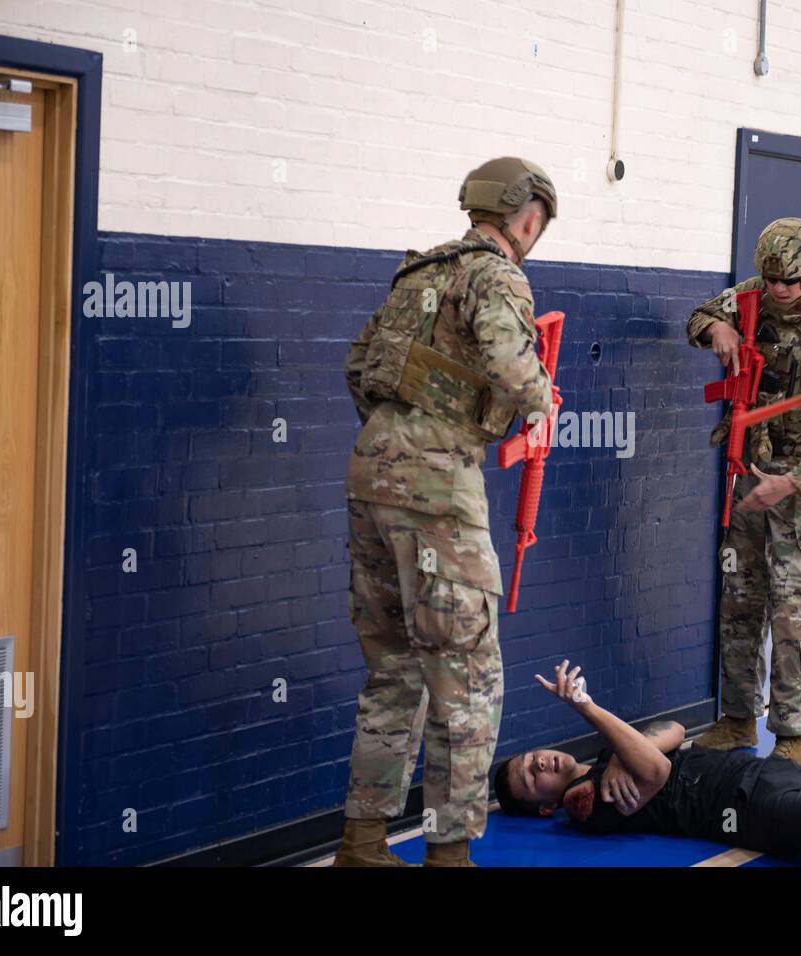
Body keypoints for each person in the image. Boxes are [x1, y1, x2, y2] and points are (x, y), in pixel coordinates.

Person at [336, 158, 559, 867]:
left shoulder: (416, 274)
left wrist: (402, 435)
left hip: (372, 473)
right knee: (466, 679)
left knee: (395, 672)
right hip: (438, 489)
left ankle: (363, 845)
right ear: (528, 216)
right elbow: (512, 366)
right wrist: (544, 400)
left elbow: (356, 365)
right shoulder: (496, 275)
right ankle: (449, 856)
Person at [493, 661, 801, 866]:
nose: (539, 761)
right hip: (749, 804)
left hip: (768, 771)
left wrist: (622, 757)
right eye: (530, 776)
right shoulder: (587, 804)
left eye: (530, 757)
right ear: (542, 808)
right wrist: (585, 706)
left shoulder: (610, 758)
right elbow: (657, 771)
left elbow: (672, 730)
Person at [686, 219, 801, 766]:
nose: (780, 292)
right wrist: (716, 331)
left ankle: (791, 736)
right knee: (740, 596)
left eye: (790, 282)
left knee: (793, 610)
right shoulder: (753, 295)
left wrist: (790, 482)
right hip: (750, 467)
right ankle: (738, 720)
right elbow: (699, 315)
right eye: (771, 282)